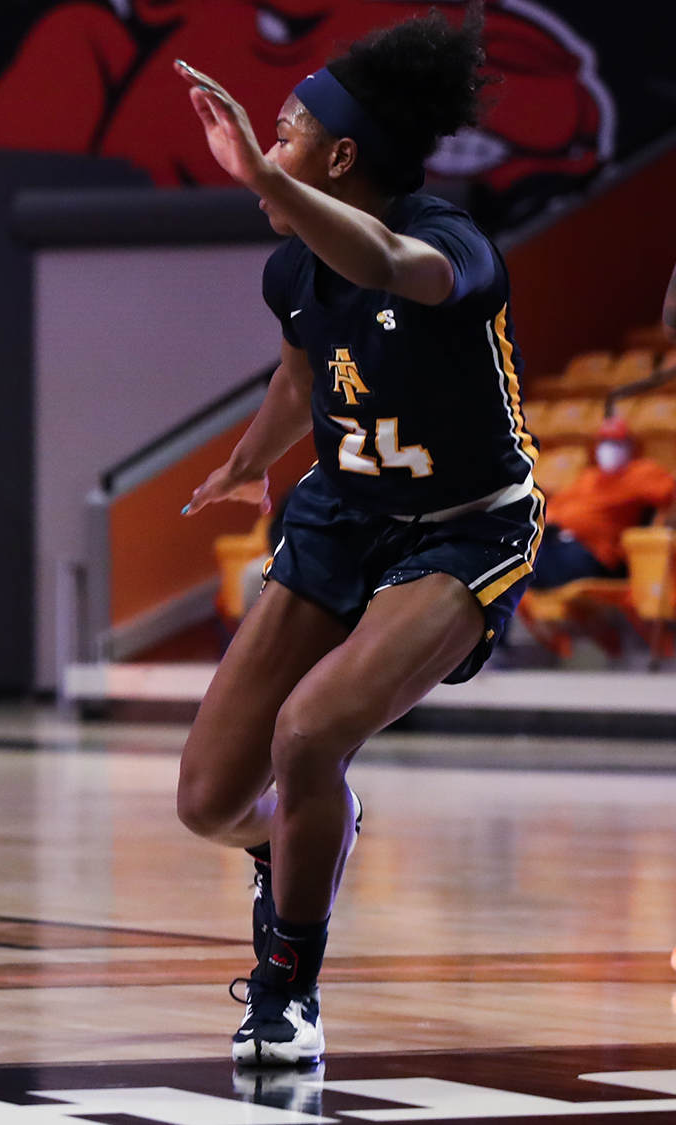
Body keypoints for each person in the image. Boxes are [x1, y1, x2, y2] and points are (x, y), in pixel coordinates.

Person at [172, 2, 540, 1068]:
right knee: (206, 802)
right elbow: (302, 370)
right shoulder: (288, 270)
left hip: (463, 530)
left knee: (307, 732)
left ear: (337, 158)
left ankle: (285, 989)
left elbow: (388, 264)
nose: (264, 155)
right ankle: (297, 837)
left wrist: (262, 174)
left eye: (283, 135)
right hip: (339, 515)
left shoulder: (448, 243)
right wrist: (248, 459)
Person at [529, 416, 674, 590]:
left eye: (617, 443)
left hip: (593, 555)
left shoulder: (641, 472)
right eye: (604, 443)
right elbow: (555, 507)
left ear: (630, 446)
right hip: (558, 542)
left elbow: (668, 493)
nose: (610, 449)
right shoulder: (589, 477)